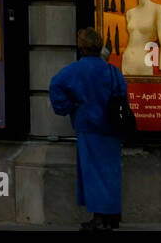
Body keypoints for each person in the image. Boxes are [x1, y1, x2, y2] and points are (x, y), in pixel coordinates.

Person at [49, 26, 127, 231]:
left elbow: (55, 85)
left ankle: (98, 218)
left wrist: (68, 106)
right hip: (112, 129)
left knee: (92, 173)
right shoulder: (112, 71)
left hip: (88, 127)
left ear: (82, 48)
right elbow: (122, 93)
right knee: (111, 173)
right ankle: (111, 215)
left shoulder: (75, 70)